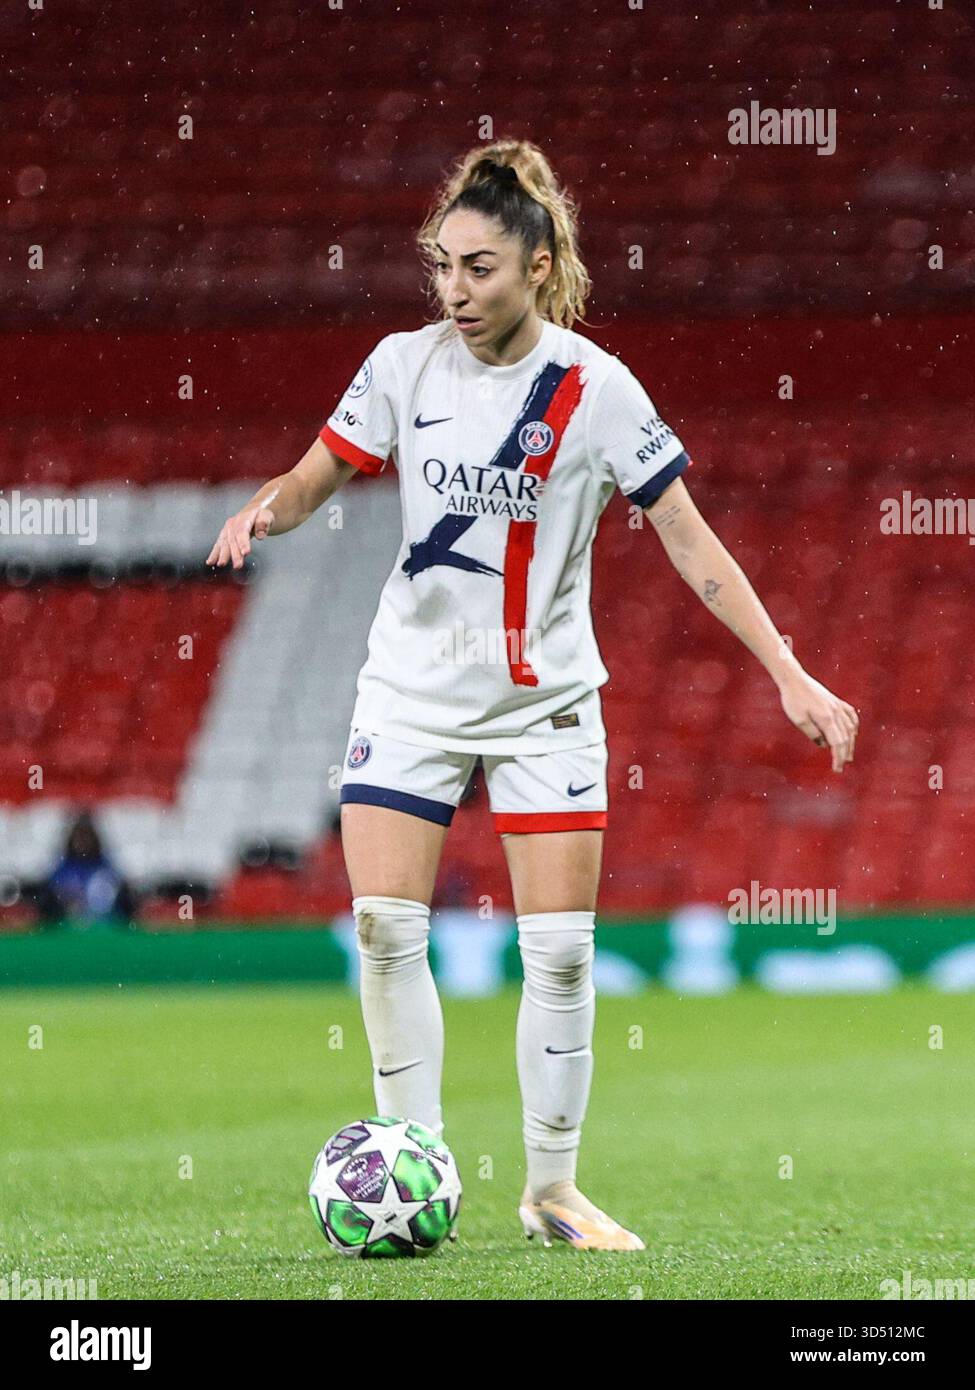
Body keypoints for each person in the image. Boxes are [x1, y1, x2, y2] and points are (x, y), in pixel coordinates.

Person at [206, 139, 859, 1252]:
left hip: (543, 700)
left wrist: (787, 669)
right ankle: (418, 1165)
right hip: (409, 690)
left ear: (540, 266)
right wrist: (272, 507)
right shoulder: (402, 366)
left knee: (557, 950)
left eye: (480, 269)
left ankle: (553, 1187)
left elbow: (692, 543)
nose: (455, 292)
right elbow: (320, 473)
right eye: (442, 267)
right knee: (383, 927)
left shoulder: (596, 391)